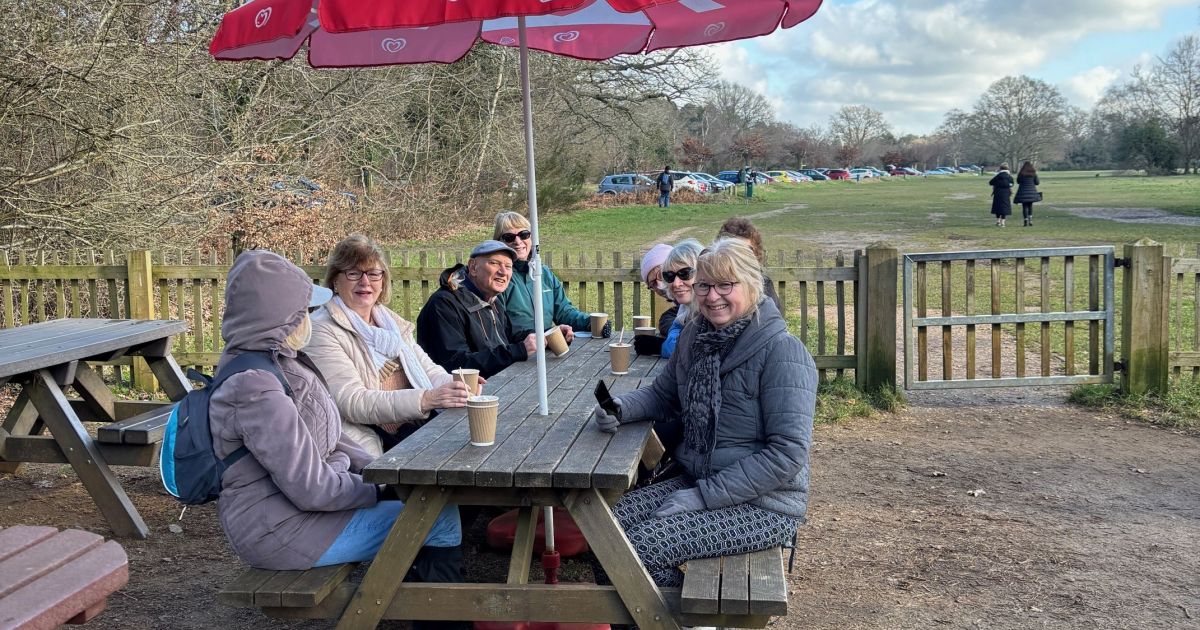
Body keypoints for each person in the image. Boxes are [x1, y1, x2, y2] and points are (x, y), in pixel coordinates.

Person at [208, 250, 464, 603]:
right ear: (278, 316)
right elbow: (311, 487)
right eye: (300, 311)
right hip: (281, 529)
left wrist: (377, 472)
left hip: (302, 512)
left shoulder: (280, 361)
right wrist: (377, 488)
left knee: (429, 506)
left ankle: (419, 606)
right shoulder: (255, 385)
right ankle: (437, 619)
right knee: (438, 518)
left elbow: (331, 435)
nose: (307, 317)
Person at [590, 238, 816, 587]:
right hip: (698, 478)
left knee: (638, 549)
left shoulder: (782, 352)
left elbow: (787, 454)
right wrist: (620, 408)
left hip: (765, 504)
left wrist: (701, 497)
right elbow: (664, 395)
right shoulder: (696, 336)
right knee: (602, 533)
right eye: (704, 286)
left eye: (726, 285)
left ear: (752, 285)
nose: (712, 296)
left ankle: (688, 620)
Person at [307, 235, 477, 458]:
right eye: (354, 273)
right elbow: (352, 401)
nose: (365, 282)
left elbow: (429, 370)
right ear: (335, 280)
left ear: (383, 280)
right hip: (373, 445)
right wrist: (427, 399)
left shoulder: (389, 322)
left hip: (417, 429)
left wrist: (458, 388)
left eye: (374, 273)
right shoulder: (322, 328)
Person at [417, 240, 539, 379]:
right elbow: (458, 365)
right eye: (494, 263)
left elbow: (510, 335)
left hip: (500, 381)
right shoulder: (444, 304)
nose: (503, 272)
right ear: (473, 267)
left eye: (508, 266)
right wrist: (518, 351)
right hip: (463, 394)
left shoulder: (492, 299)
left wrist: (544, 336)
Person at [492, 211, 608, 339]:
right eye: (509, 237)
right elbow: (499, 329)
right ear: (498, 242)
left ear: (531, 238)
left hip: (548, 350)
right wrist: (546, 334)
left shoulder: (543, 273)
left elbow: (563, 312)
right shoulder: (498, 278)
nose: (518, 241)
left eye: (524, 234)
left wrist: (589, 322)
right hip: (515, 354)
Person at [717, 217, 783, 312]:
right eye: (733, 250)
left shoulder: (764, 286)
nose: (739, 257)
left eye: (746, 251)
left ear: (755, 254)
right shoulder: (709, 284)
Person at [659, 239, 703, 360]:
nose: (676, 283)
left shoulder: (712, 311)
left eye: (684, 273)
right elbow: (669, 348)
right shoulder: (686, 308)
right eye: (670, 276)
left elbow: (682, 351)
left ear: (703, 273)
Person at [1013, 161, 1041, 227]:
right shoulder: (1033, 173)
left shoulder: (1021, 173)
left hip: (1023, 192)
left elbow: (1018, 181)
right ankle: (1030, 219)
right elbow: (1037, 182)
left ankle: (1025, 220)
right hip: (1031, 192)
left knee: (1024, 206)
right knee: (1030, 206)